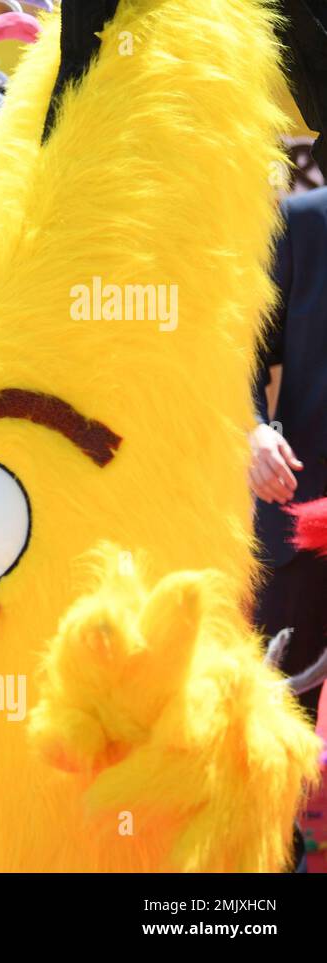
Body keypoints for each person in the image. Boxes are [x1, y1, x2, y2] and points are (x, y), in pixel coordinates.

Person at [250, 186, 327, 721]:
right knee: (270, 728)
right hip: (302, 521)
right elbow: (242, 350)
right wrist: (251, 431)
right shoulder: (305, 221)